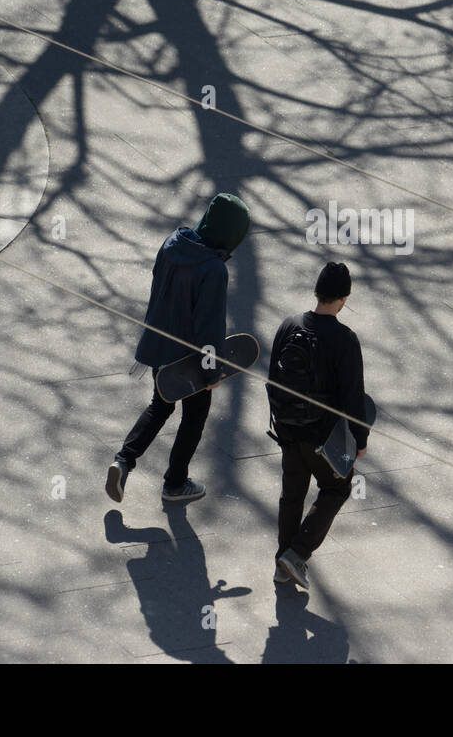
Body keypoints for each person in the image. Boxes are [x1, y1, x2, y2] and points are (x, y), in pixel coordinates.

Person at [105, 193, 250, 504]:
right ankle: (175, 483)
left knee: (161, 405)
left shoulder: (173, 243)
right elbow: (209, 326)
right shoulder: (213, 270)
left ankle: (123, 461)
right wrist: (212, 370)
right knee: (194, 417)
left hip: (160, 345)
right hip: (190, 358)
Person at [266, 261, 369, 590]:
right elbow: (354, 397)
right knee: (337, 487)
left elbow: (271, 379)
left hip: (288, 430)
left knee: (291, 495)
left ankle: (283, 563)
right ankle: (297, 553)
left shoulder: (288, 325)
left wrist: (282, 423)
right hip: (322, 435)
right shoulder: (344, 339)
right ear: (342, 298)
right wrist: (360, 438)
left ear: (317, 292)